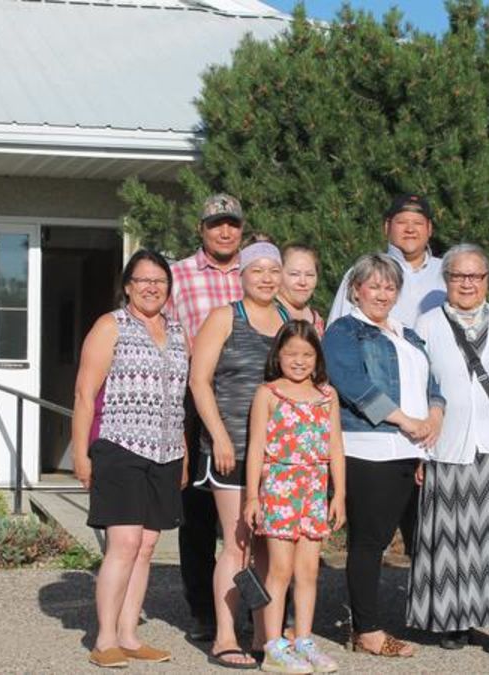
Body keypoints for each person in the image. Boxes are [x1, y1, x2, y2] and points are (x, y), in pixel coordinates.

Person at [408, 244, 489, 655]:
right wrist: (418, 450)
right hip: (444, 443)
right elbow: (418, 386)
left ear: (487, 280)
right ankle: (455, 619)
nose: (467, 283)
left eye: (475, 276)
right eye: (458, 276)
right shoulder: (428, 323)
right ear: (446, 280)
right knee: (449, 538)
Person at [322, 253, 445, 658]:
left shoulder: (406, 333)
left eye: (389, 286)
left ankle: (427, 618)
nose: (382, 293)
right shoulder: (345, 331)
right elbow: (353, 385)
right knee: (369, 542)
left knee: (419, 541)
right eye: (373, 285)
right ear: (356, 289)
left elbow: (434, 382)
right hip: (369, 451)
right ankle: (368, 630)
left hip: (411, 449)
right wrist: (406, 421)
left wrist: (434, 415)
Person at [71, 249, 189, 668]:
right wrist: (81, 455)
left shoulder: (177, 331)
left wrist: (184, 452)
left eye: (160, 281)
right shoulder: (110, 326)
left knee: (147, 545)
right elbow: (85, 394)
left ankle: (129, 635)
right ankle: (105, 639)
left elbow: (178, 399)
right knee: (123, 543)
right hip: (119, 446)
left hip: (167, 451)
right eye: (143, 280)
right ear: (128, 286)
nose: (152, 287)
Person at [191, 241, 289, 669]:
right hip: (231, 450)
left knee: (269, 549)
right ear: (242, 275)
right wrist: (220, 438)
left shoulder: (292, 319)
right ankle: (225, 637)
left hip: (278, 455)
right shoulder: (225, 317)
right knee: (237, 545)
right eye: (257, 270)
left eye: (273, 270)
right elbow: (199, 382)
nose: (266, 278)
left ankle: (266, 637)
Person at [243, 320, 346, 674]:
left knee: (308, 571)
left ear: (317, 358)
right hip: (278, 486)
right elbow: (256, 445)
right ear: (278, 355)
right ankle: (273, 645)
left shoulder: (327, 396)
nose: (299, 361)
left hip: (315, 488)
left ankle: (304, 640)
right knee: (280, 570)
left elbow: (336, 446)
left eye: (307, 354)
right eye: (291, 353)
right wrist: (253, 498)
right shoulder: (268, 393)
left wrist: (340, 494)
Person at [169, 193, 246, 643]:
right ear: (201, 229)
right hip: (195, 400)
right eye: (216, 224)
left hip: (244, 403)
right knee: (196, 514)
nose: (224, 231)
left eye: (232, 224)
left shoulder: (255, 273)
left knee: (244, 520)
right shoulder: (178, 275)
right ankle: (203, 610)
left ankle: (247, 608)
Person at [326, 193, 446, 327]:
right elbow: (337, 329)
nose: (410, 229)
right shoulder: (364, 272)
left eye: (418, 223)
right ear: (387, 227)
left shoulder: (449, 273)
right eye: (401, 222)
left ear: (429, 229)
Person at [277, 244, 326, 336]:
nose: (303, 282)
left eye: (310, 275)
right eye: (294, 274)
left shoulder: (317, 319)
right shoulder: (267, 314)